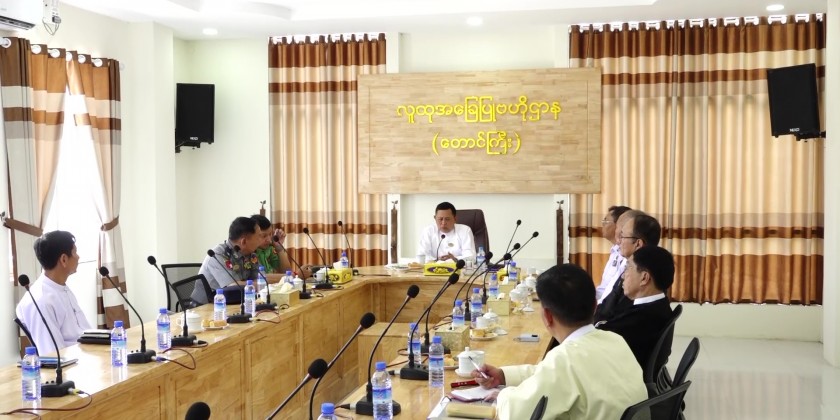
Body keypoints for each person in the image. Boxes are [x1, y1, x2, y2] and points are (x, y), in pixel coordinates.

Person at [471, 264, 647, 419]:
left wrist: (502, 396)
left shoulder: (564, 360)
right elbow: (549, 374)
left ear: (547, 316)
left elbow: (517, 414)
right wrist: (503, 375)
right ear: (594, 306)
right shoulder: (615, 340)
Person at [596, 246, 675, 368]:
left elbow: (596, 338)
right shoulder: (660, 306)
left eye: (628, 268)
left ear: (644, 278)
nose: (623, 276)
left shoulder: (643, 319)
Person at [15, 230, 92, 355]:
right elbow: (54, 355)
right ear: (63, 259)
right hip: (74, 366)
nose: (78, 257)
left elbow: (85, 332)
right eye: (75, 252)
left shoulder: (61, 287)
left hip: (89, 356)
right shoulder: (40, 300)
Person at [594, 212, 661, 323]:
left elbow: (613, 316)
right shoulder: (630, 267)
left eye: (623, 236)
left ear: (638, 244)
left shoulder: (639, 278)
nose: (618, 241)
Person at [192, 216, 264, 304]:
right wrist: (262, 285)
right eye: (259, 236)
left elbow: (260, 279)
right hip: (207, 307)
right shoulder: (217, 255)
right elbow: (233, 286)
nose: (261, 240)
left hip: (235, 302)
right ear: (244, 241)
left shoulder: (250, 254)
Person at [595, 205, 632, 302]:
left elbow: (615, 294)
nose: (602, 225)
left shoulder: (629, 255)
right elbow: (604, 289)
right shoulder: (614, 252)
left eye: (605, 221)